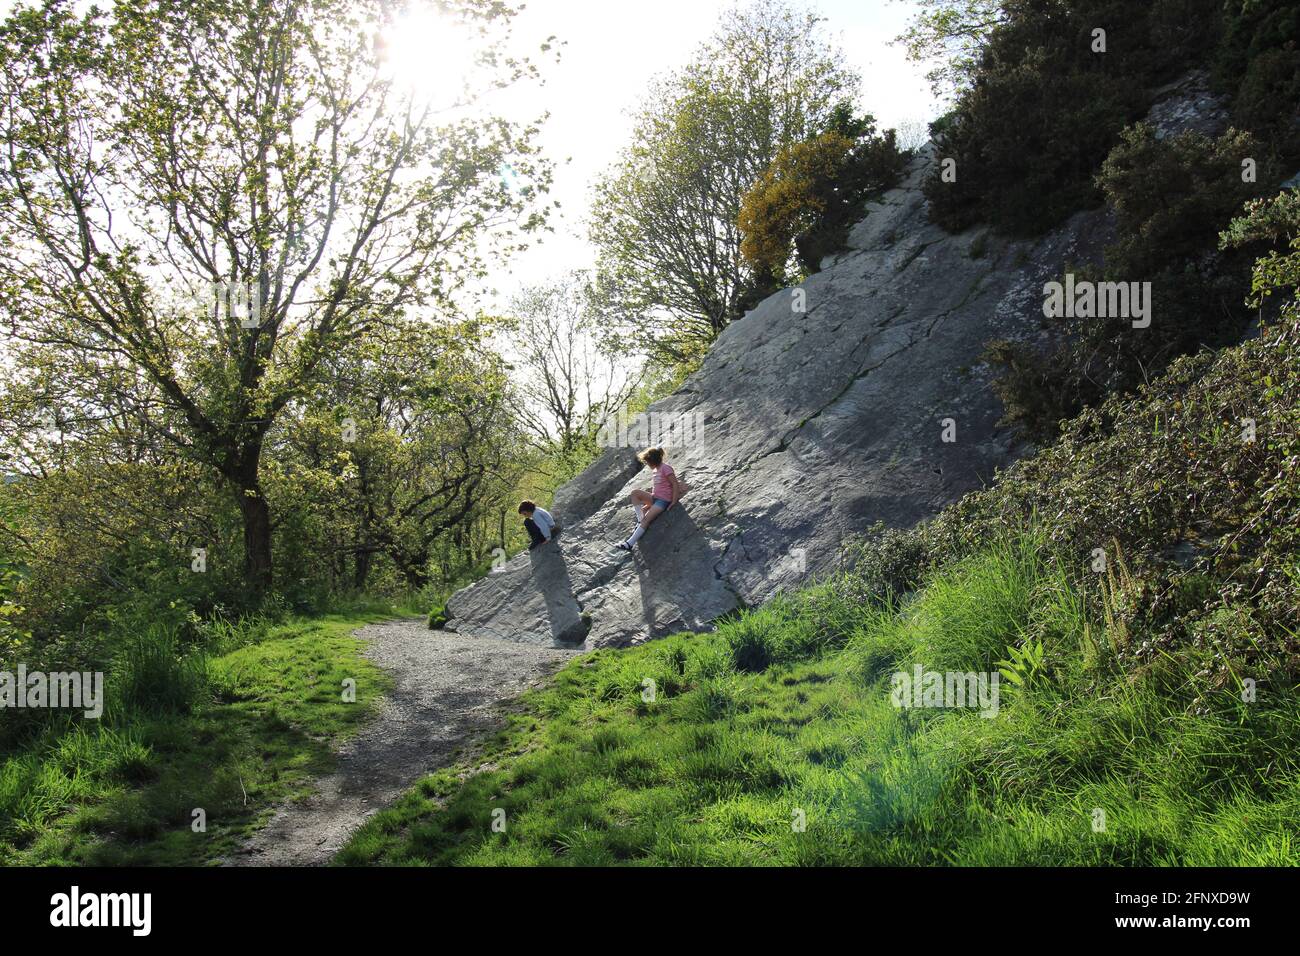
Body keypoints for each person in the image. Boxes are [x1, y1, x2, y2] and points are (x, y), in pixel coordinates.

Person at [617, 446, 688, 552]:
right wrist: (649, 503)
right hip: (655, 497)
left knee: (646, 519)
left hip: (663, 501)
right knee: (635, 493)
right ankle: (641, 521)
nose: (647, 464)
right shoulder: (656, 469)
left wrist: (673, 500)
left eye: (647, 462)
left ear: (652, 461)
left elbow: (674, 484)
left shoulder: (666, 468)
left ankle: (629, 544)